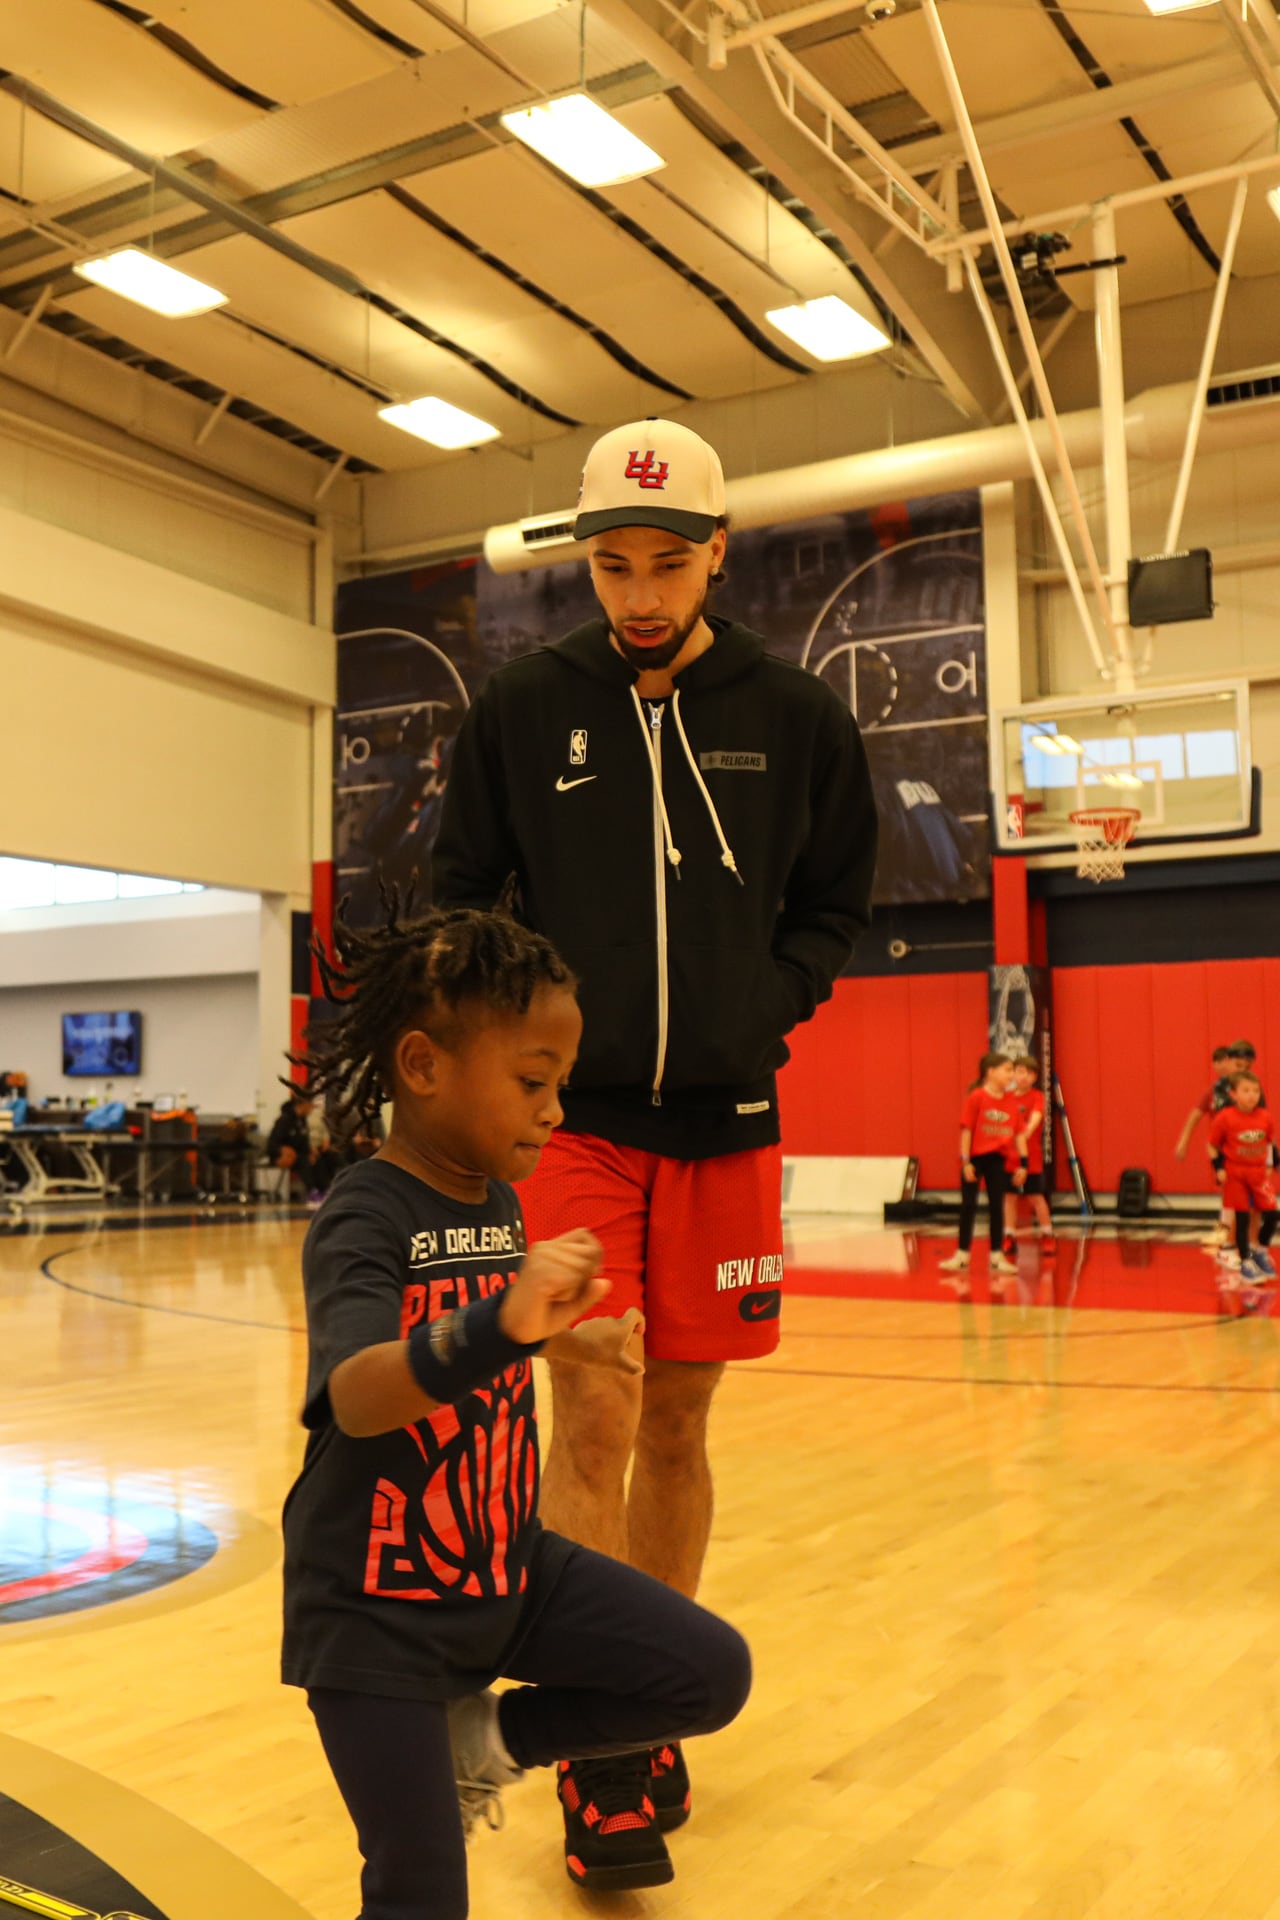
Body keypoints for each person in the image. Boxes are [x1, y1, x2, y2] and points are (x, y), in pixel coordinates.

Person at [432, 416, 876, 1883]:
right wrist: (514, 1043)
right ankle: (601, 1757)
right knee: (593, 1409)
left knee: (679, 1423)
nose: (637, 593)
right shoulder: (523, 707)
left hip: (728, 1124)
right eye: (612, 565)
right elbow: (458, 891)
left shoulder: (796, 716)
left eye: (666, 566)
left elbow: (835, 899)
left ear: (716, 555)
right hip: (578, 1127)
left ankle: (651, 1700)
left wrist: (770, 1000)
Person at [281, 893, 751, 1920]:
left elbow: (489, 1329)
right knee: (420, 1899)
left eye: (561, 1085)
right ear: (423, 1067)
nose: (554, 1111)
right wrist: (504, 1322)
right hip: (378, 1614)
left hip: (503, 1568)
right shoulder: (364, 1213)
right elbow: (357, 1395)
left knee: (707, 1674)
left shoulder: (495, 1197)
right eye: (533, 1082)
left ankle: (485, 1743)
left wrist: (571, 1337)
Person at [940, 1053, 1021, 1281]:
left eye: (1012, 1070)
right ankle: (962, 1254)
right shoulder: (976, 1097)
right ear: (991, 1072)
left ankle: (997, 1255)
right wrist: (965, 1161)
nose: (1011, 1075)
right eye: (1007, 1070)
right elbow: (966, 1130)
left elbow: (1016, 1134)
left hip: (997, 1158)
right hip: (975, 1159)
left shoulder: (1010, 1100)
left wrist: (1019, 1163)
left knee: (997, 1205)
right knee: (969, 1205)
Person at [1207, 1070, 1278, 1287]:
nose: (1252, 1095)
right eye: (1246, 1091)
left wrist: (1272, 1164)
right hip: (1236, 1174)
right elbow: (1212, 1145)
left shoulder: (1265, 1117)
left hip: (1258, 1173)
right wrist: (1218, 1167)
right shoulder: (1225, 1118)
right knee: (1243, 1217)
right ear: (1234, 1094)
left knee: (1272, 1214)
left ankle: (1260, 1251)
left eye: (1256, 1091)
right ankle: (1246, 1261)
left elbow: (1270, 1143)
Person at [1002, 1055, 1054, 1257]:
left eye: (1029, 1073)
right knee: (1010, 1197)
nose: (1024, 1076)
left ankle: (1047, 1235)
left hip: (1031, 1157)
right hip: (1009, 1157)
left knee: (1036, 1197)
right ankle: (1009, 1236)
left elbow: (1035, 1120)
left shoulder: (1037, 1097)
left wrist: (1024, 1132)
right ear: (1013, 1074)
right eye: (1020, 1072)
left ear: (1034, 1077)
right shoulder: (1005, 1097)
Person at [266, 1087, 341, 1204]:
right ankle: (312, 1193)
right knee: (304, 1162)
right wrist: (284, 1150)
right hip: (283, 1156)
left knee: (320, 1159)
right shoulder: (284, 1120)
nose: (312, 1108)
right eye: (310, 1105)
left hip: (300, 1154)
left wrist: (311, 1151)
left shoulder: (302, 1120)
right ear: (304, 1105)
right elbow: (272, 1144)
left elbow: (303, 1142)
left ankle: (325, 1190)